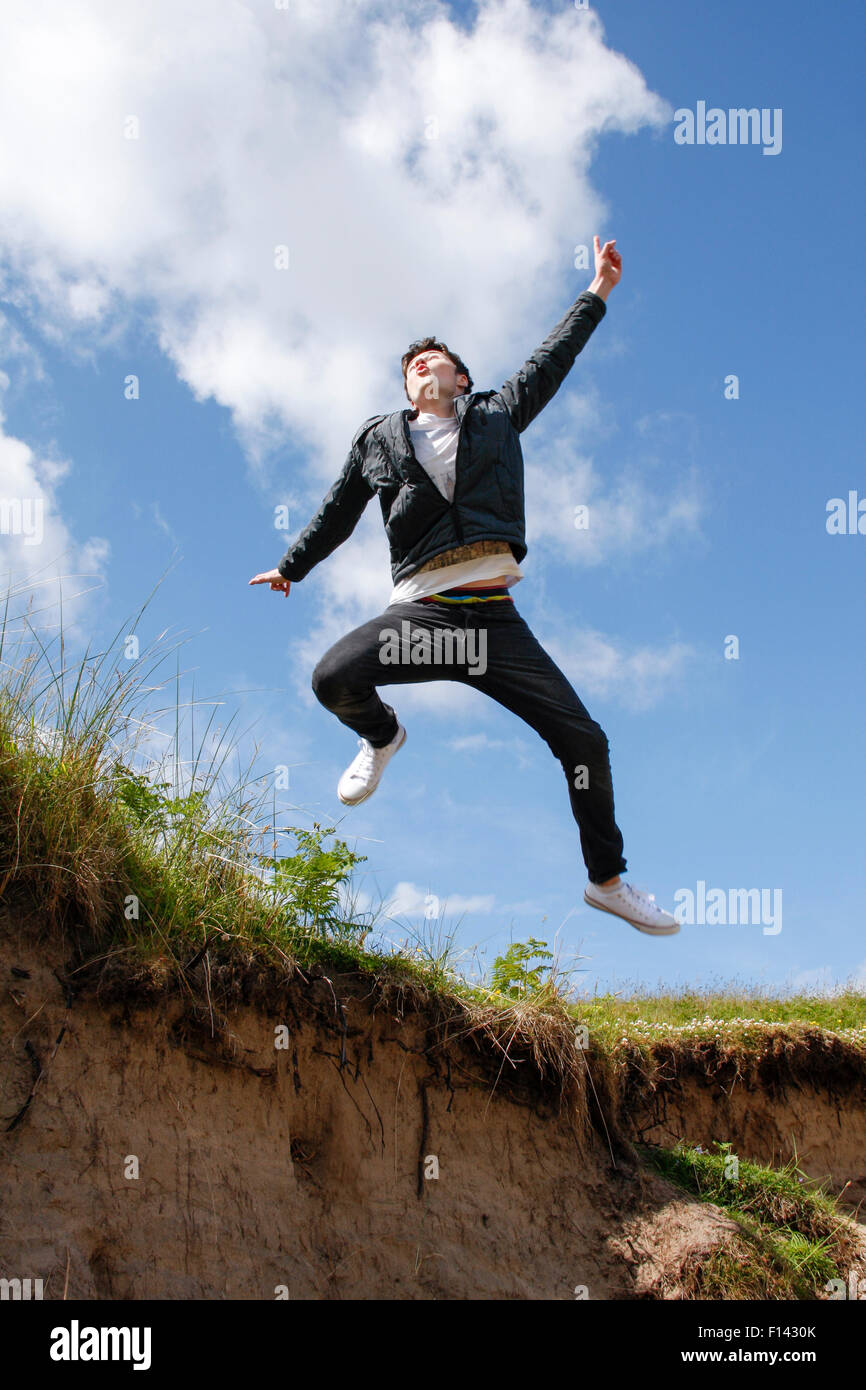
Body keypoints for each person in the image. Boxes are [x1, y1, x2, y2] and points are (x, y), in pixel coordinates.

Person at [250, 236, 679, 936]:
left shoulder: (498, 416)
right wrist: (292, 566)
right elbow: (338, 509)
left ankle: (607, 881)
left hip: (492, 628)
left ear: (459, 375)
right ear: (407, 386)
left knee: (585, 741)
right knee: (333, 676)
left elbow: (553, 357)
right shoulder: (378, 440)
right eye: (412, 363)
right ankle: (382, 737)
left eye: (435, 357)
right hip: (422, 618)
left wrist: (597, 290)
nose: (422, 363)